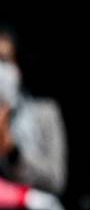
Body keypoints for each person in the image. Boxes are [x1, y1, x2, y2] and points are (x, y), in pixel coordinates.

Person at [0, 31, 67, 194]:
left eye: (3, 60)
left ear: (17, 65)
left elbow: (56, 180)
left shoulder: (45, 113)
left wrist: (13, 153)